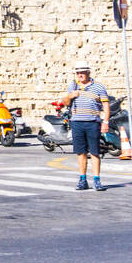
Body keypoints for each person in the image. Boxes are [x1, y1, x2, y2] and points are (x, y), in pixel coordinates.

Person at [56, 61, 109, 191]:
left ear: (88, 73)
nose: (80, 75)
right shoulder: (73, 86)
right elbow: (66, 103)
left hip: (93, 122)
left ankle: (97, 180)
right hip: (77, 122)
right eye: (78, 72)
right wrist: (70, 95)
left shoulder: (99, 87)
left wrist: (105, 122)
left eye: (82, 72)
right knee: (81, 152)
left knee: (95, 152)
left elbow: (106, 106)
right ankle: (82, 179)